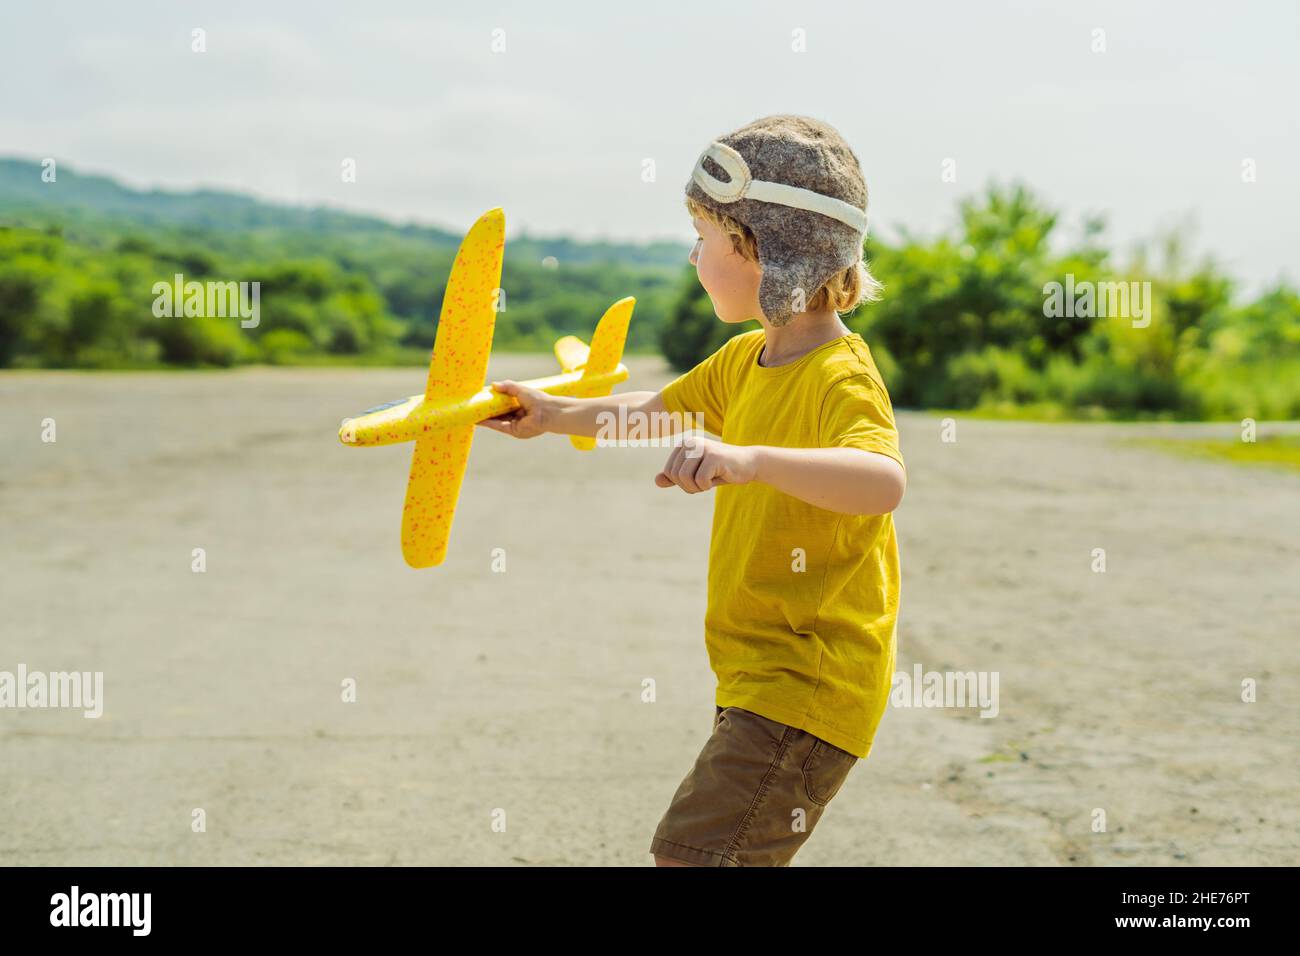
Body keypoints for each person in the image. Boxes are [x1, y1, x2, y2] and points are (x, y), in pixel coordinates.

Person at [479, 114, 905, 866]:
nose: (693, 254)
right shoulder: (746, 359)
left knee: (694, 855)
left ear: (765, 252)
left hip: (807, 682)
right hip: (755, 676)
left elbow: (881, 483)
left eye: (705, 237)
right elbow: (653, 413)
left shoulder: (841, 376)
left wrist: (747, 460)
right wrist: (549, 416)